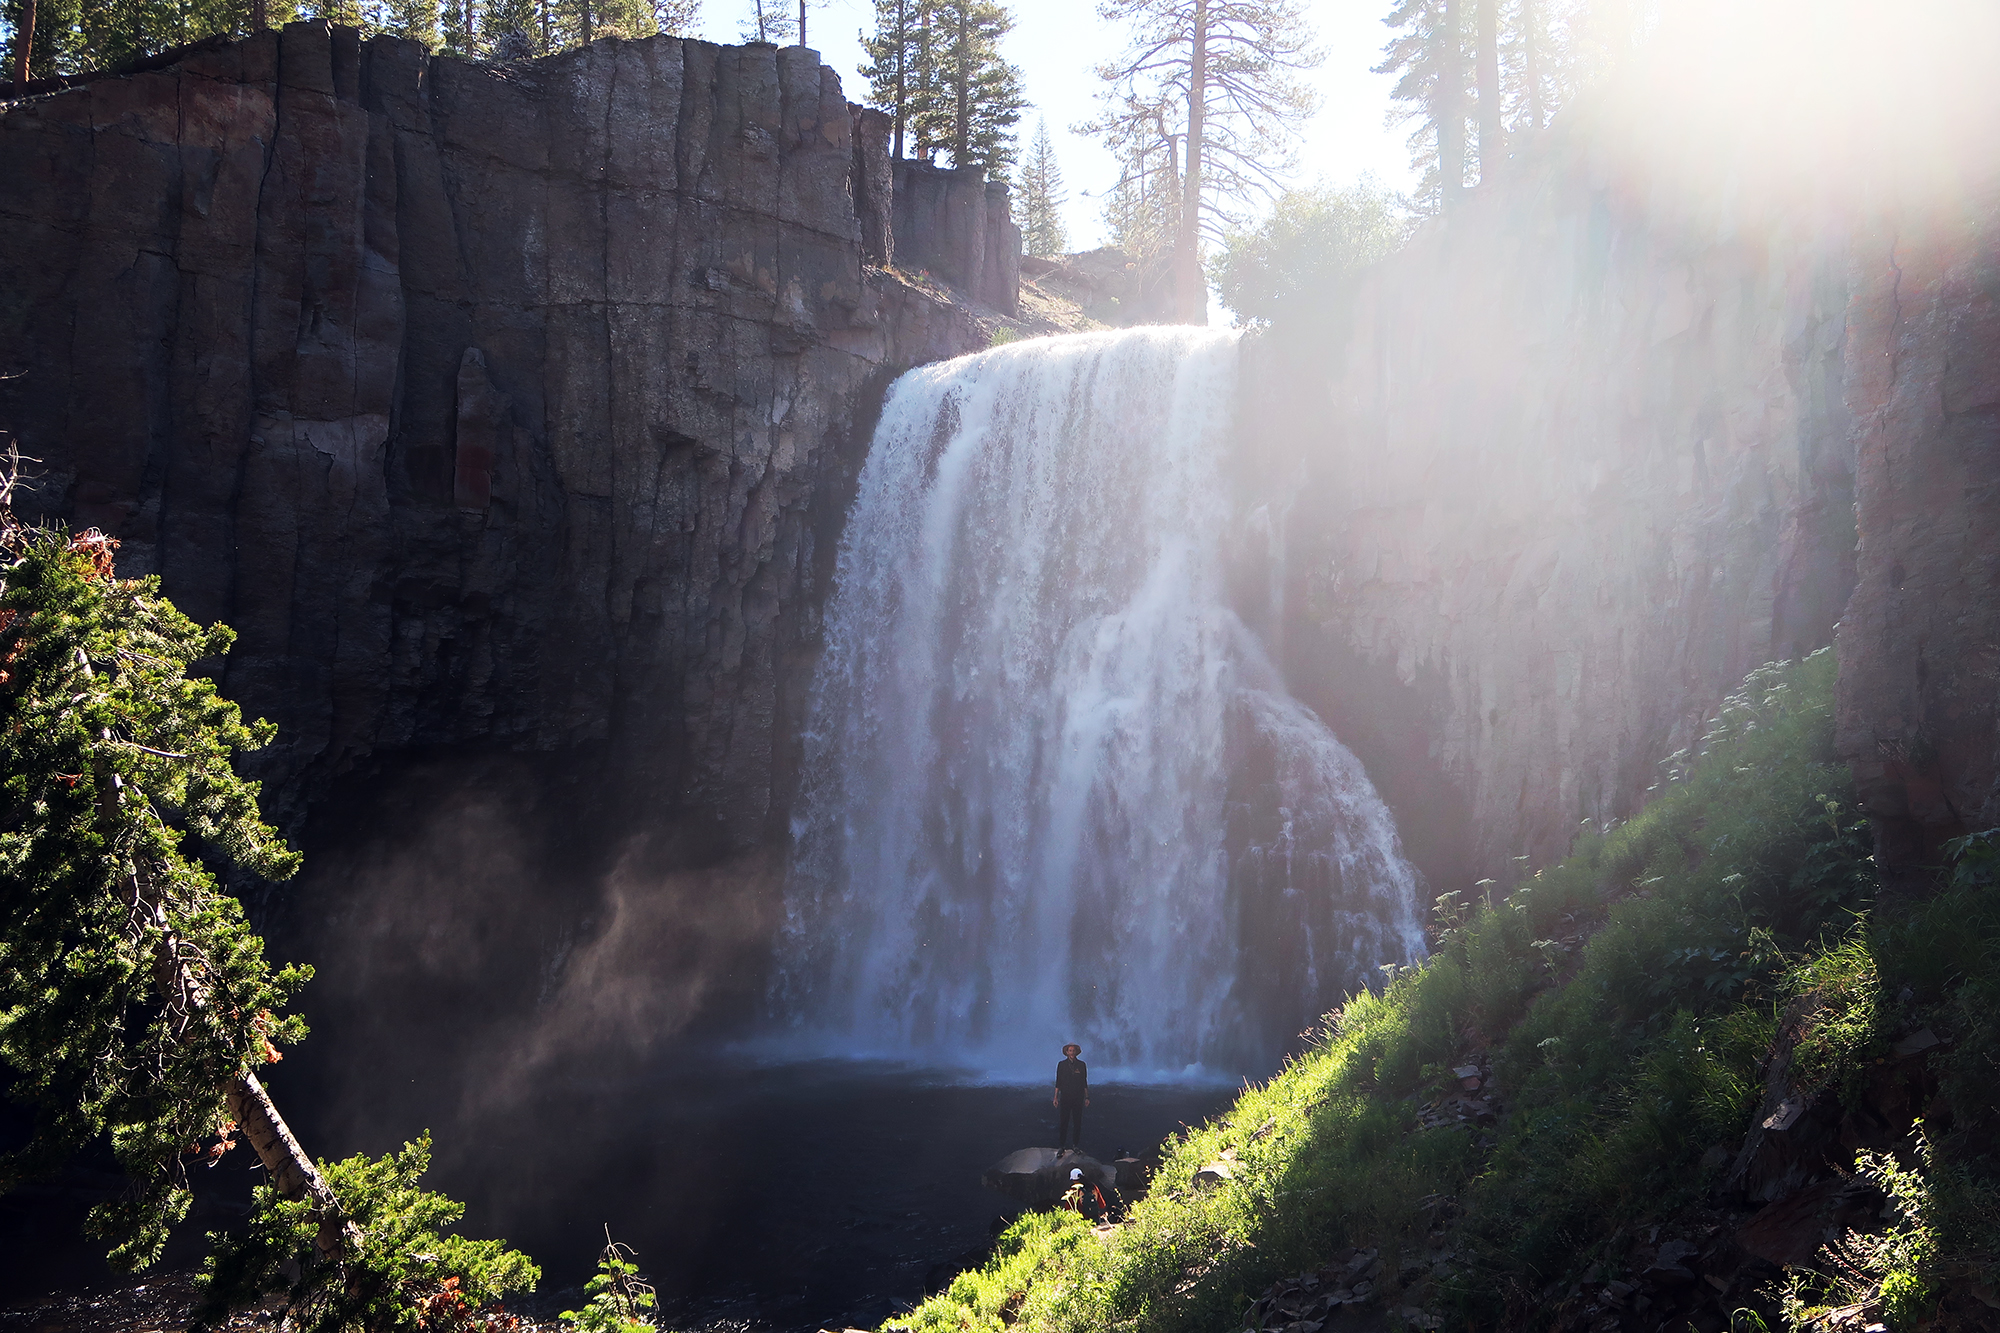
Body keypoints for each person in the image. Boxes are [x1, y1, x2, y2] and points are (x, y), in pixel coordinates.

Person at [1053, 1042, 1088, 1149]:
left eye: (1073, 1051)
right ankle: (1061, 1145)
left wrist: (1087, 1097)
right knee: (1064, 1121)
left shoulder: (1082, 1065)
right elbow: (1058, 1082)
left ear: (1077, 1052)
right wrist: (1055, 1097)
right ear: (1067, 1052)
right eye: (1070, 1051)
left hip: (1078, 1096)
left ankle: (1075, 1145)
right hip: (1066, 1096)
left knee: (1077, 1122)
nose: (1072, 1053)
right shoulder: (1062, 1065)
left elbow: (1084, 1082)